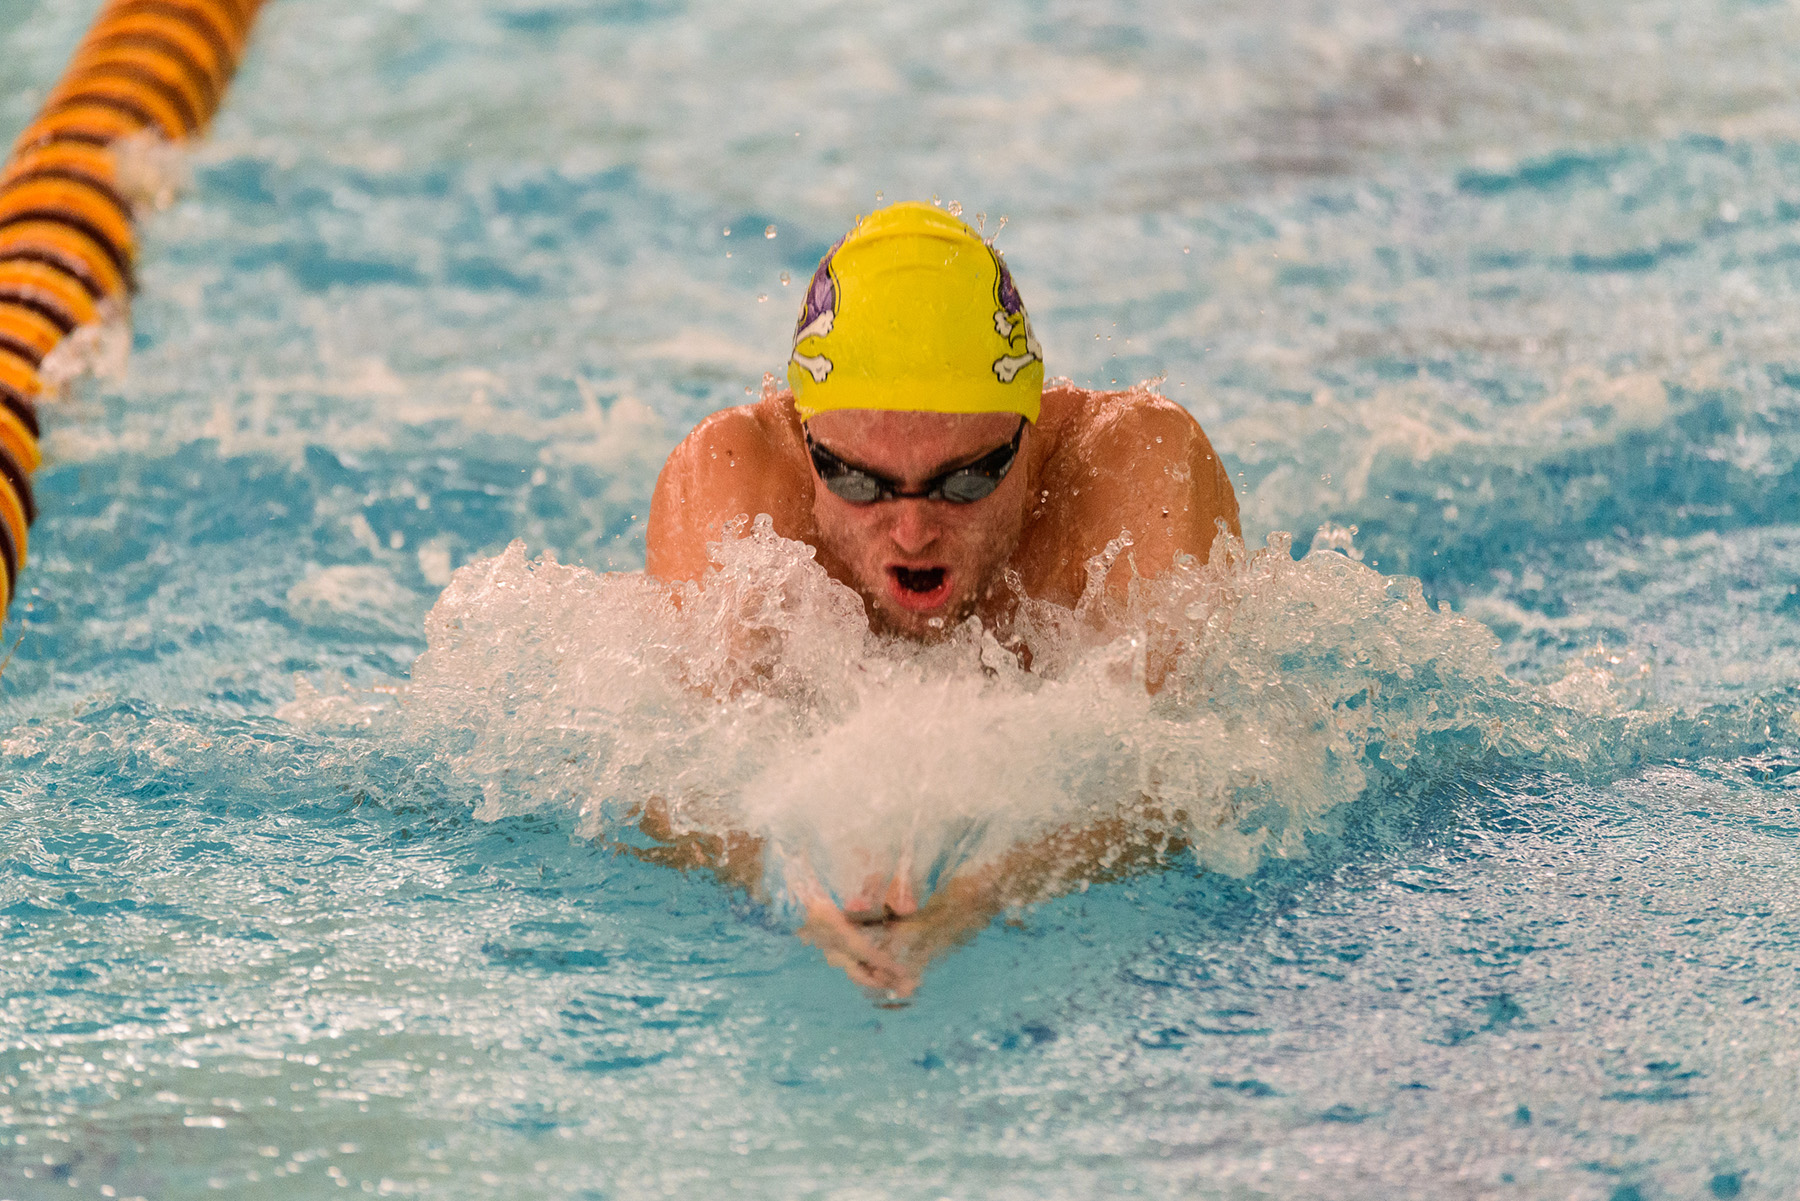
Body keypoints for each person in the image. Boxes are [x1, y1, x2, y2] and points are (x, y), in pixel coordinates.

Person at [641, 201, 1240, 994]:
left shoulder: (1131, 481)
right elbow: (670, 775)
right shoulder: (735, 486)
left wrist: (992, 885)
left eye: (966, 478)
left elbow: (1185, 777)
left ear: (1030, 430)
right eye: (858, 480)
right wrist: (788, 878)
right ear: (806, 437)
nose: (914, 531)